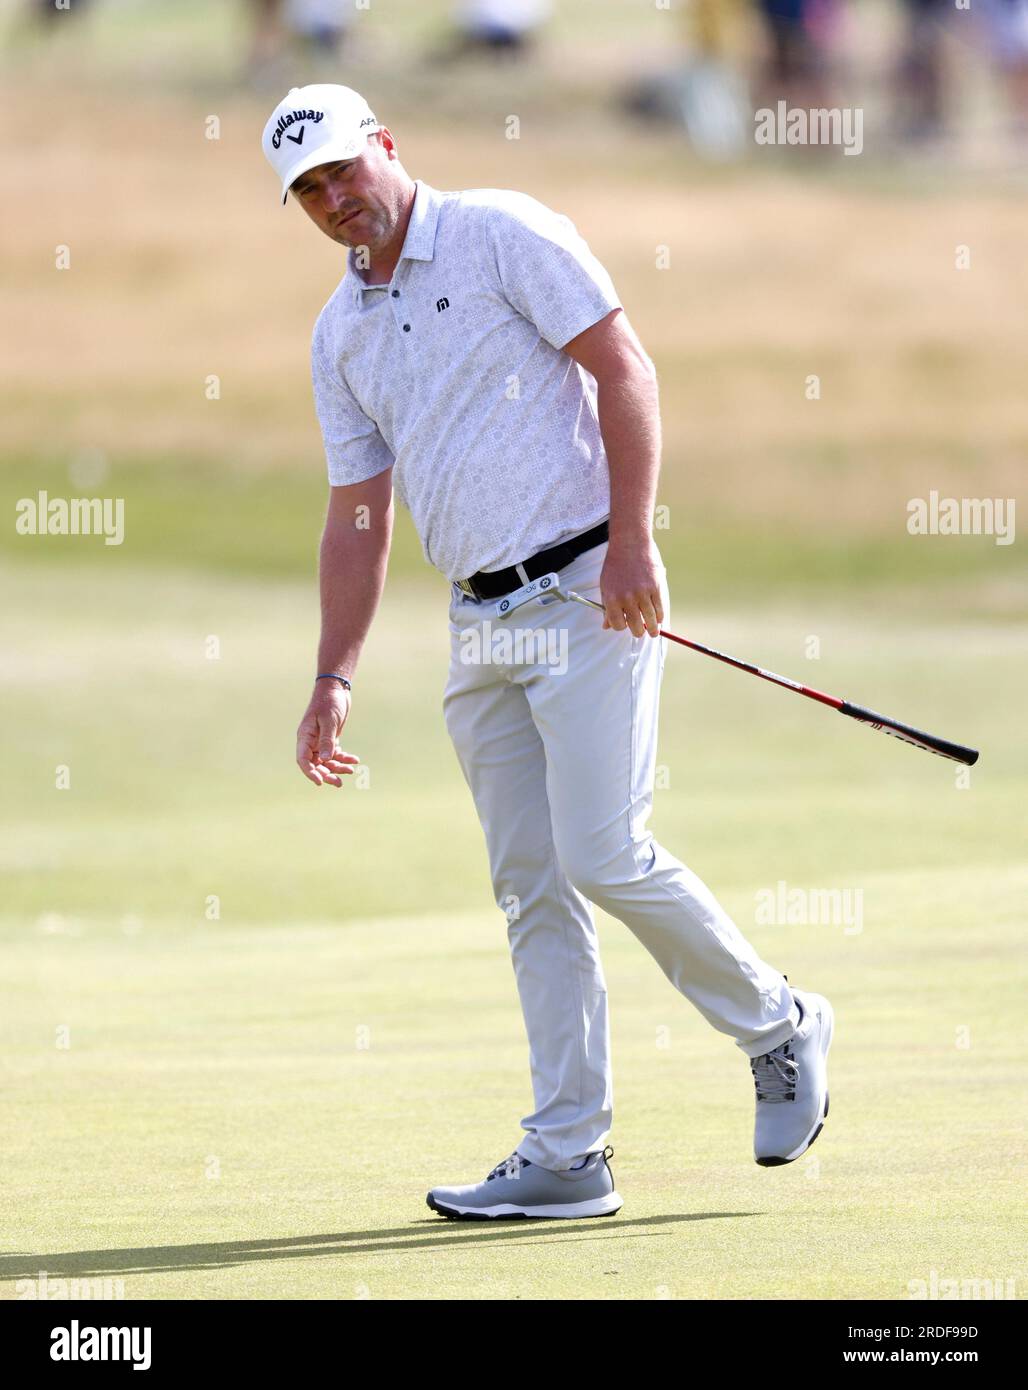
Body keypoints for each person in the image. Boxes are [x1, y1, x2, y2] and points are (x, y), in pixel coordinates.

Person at [261, 83, 834, 1220]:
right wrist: (333, 673)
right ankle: (569, 1153)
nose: (333, 199)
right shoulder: (341, 334)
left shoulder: (501, 232)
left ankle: (778, 1023)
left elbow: (624, 370)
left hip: (586, 588)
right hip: (477, 624)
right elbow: (358, 516)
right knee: (531, 887)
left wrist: (633, 542)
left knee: (604, 852)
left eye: (342, 169)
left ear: (385, 144)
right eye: (306, 190)